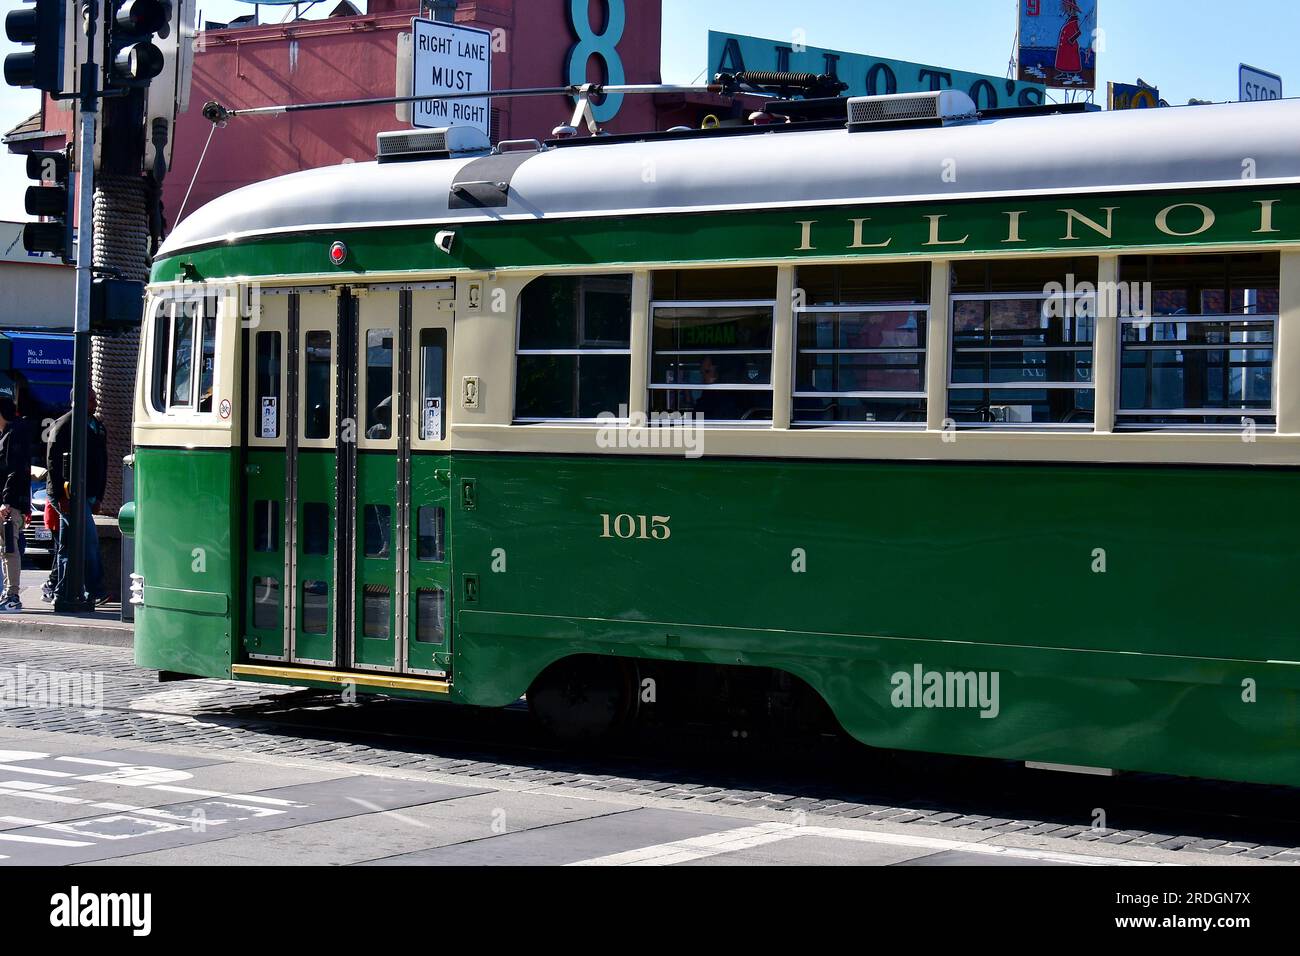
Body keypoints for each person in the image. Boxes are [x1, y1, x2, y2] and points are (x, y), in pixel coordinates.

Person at [44, 387, 108, 605]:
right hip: (69, 494)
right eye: (90, 399)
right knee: (89, 541)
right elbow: (53, 464)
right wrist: (62, 495)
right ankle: (96, 589)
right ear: (77, 400)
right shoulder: (64, 425)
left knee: (67, 544)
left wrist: (99, 496)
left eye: (95, 399)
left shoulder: (97, 426)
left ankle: (61, 589)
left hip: (87, 494)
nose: (95, 403)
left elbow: (103, 462)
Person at [0, 397, 31, 612]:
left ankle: (12, 595)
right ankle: (9, 593)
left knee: (9, 549)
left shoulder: (14, 435)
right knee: (6, 549)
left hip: (9, 504)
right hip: (8, 502)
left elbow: (14, 470)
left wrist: (7, 501)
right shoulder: (9, 434)